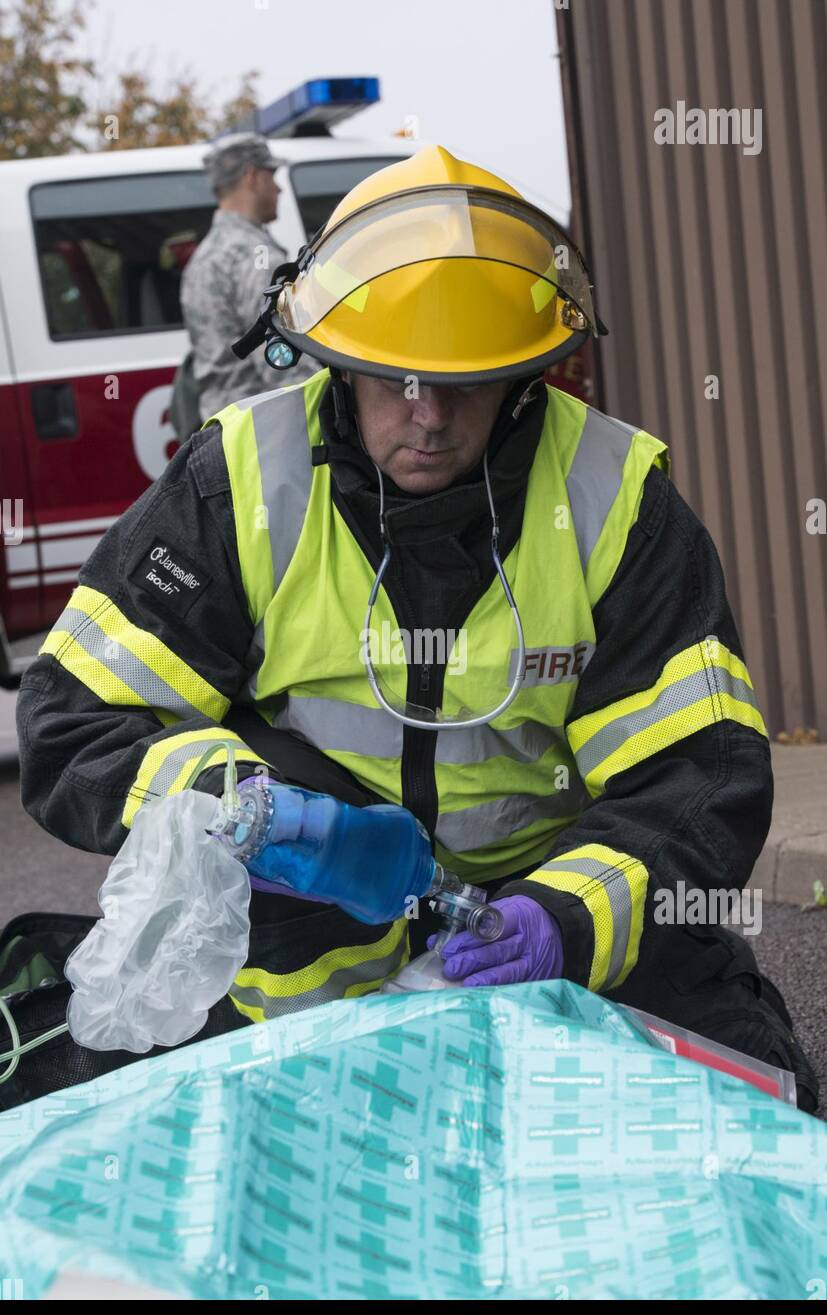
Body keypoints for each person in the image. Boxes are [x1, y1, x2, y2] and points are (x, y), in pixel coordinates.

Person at [17, 145, 818, 1111]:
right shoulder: (237, 482)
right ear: (336, 364)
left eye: (464, 384)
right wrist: (252, 812)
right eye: (393, 378)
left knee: (756, 1113)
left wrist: (558, 917)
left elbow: (699, 778)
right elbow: (76, 721)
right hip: (300, 932)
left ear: (525, 379)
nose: (427, 416)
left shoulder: (615, 502)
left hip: (540, 927)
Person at [179, 132, 310, 423]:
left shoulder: (202, 257)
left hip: (224, 429)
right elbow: (282, 364)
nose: (278, 189)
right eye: (271, 175)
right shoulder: (256, 257)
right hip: (263, 429)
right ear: (252, 177)